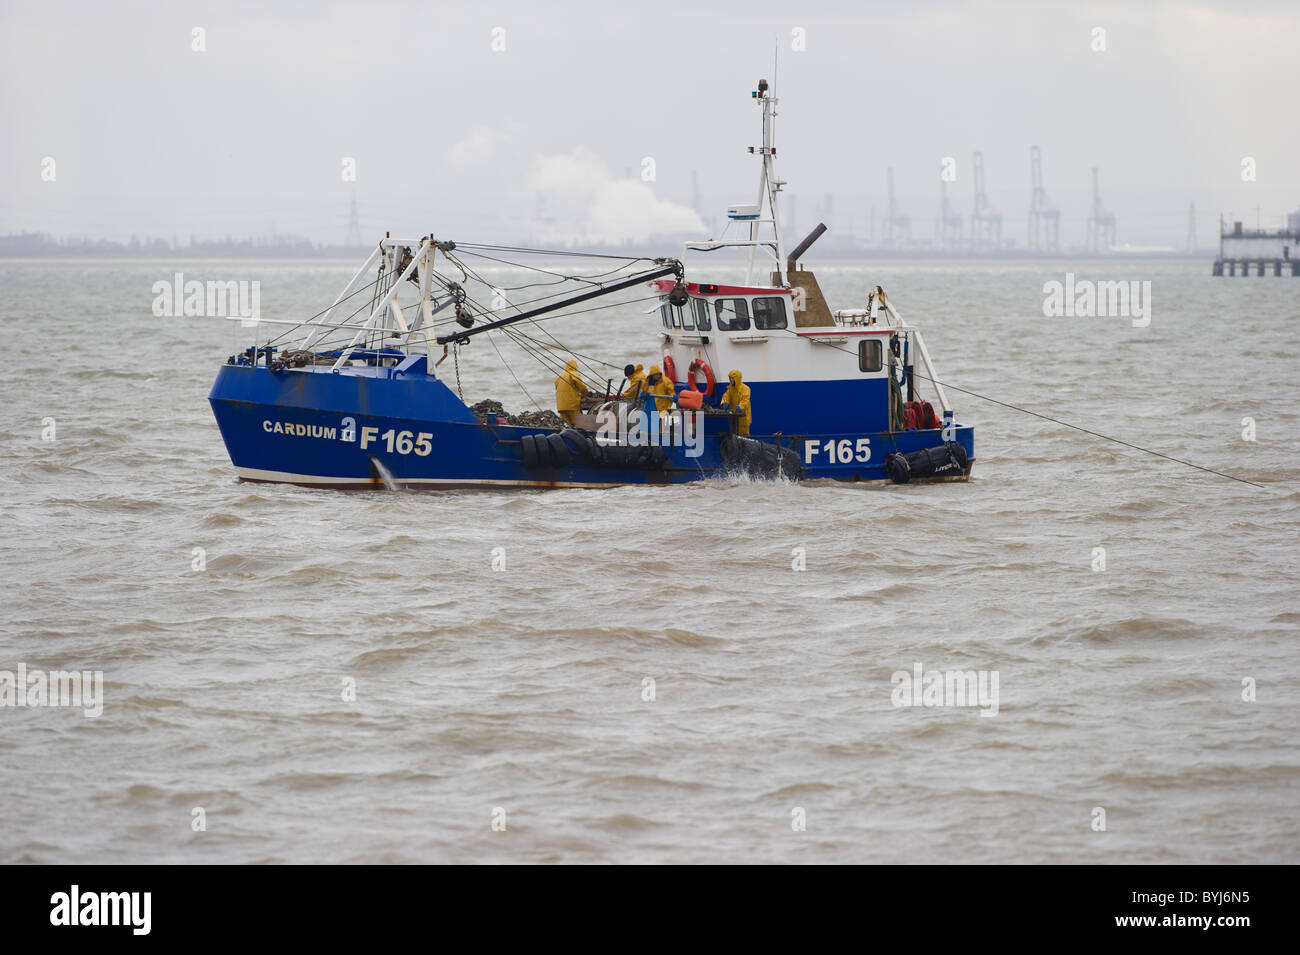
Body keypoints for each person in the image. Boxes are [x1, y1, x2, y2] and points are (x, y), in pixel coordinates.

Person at [554, 358, 589, 426]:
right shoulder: (574, 374)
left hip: (561, 406)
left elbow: (556, 386)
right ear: (575, 366)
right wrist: (586, 393)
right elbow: (581, 386)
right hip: (572, 405)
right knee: (579, 425)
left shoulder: (560, 377)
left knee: (566, 425)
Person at [719, 368, 751, 435]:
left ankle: (743, 445)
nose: (731, 380)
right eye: (730, 378)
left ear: (738, 378)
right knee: (733, 434)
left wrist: (740, 406)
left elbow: (745, 400)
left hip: (743, 417)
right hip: (733, 415)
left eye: (732, 378)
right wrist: (724, 402)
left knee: (743, 435)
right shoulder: (730, 389)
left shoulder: (745, 389)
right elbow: (726, 396)